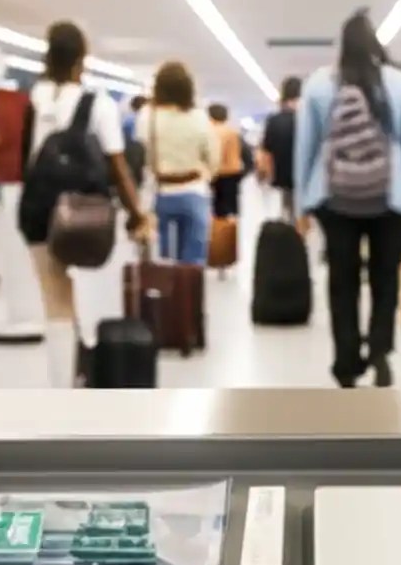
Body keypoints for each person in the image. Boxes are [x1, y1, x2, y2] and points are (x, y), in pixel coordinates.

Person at [295, 9, 401, 388]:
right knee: (386, 278)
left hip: (335, 200)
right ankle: (381, 351)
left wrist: (302, 205)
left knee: (342, 280)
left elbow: (307, 146)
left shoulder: (320, 85)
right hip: (391, 199)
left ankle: (345, 360)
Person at [25, 21, 149, 388]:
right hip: (86, 214)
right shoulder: (98, 104)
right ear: (82, 58)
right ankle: (71, 382)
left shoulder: (34, 97)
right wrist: (137, 214)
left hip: (38, 210)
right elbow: (117, 166)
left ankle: (66, 376)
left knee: (55, 294)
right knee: (81, 294)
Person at [136, 62, 219, 265]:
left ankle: (165, 292)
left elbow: (141, 155)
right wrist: (206, 176)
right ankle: (189, 294)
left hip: (160, 192)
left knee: (160, 261)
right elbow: (214, 159)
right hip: (194, 192)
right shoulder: (199, 117)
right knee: (193, 263)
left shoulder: (148, 116)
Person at [260, 77, 301, 218]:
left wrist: (265, 174)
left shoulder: (274, 120)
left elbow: (266, 150)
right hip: (304, 174)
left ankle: (289, 232)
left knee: (287, 207)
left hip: (282, 175)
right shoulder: (305, 119)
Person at [208, 103, 244, 220]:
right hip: (233, 173)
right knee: (231, 210)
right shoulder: (232, 133)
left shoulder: (210, 132)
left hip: (216, 173)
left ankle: (217, 233)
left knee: (216, 210)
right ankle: (230, 234)